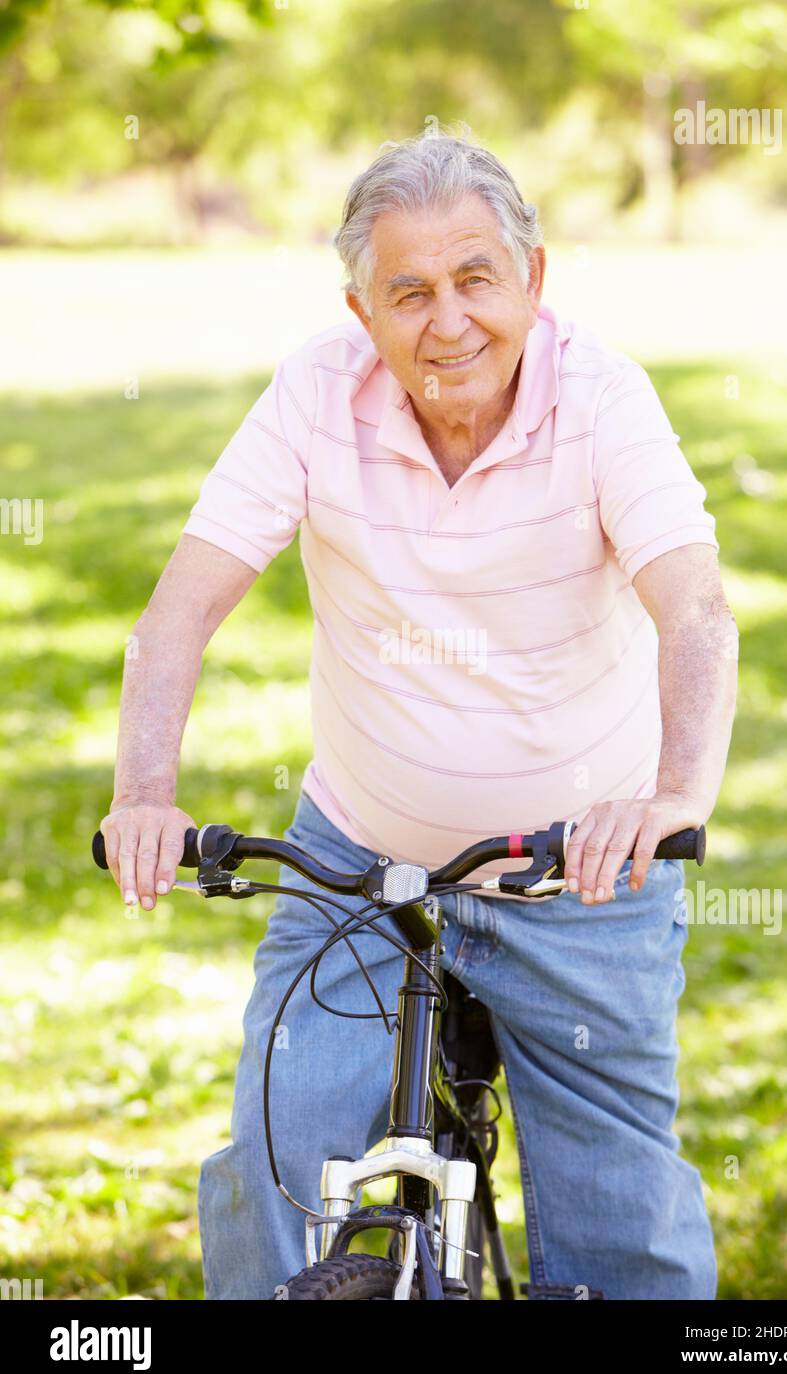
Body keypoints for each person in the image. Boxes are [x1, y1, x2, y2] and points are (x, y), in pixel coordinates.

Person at [100, 132, 738, 1300]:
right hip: (359, 853)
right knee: (274, 1166)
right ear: (361, 309)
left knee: (621, 1229)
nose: (446, 321)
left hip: (576, 871)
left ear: (532, 280)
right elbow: (176, 613)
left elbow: (693, 611)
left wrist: (673, 798)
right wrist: (142, 794)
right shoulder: (313, 394)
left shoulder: (603, 400)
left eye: (474, 279)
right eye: (408, 291)